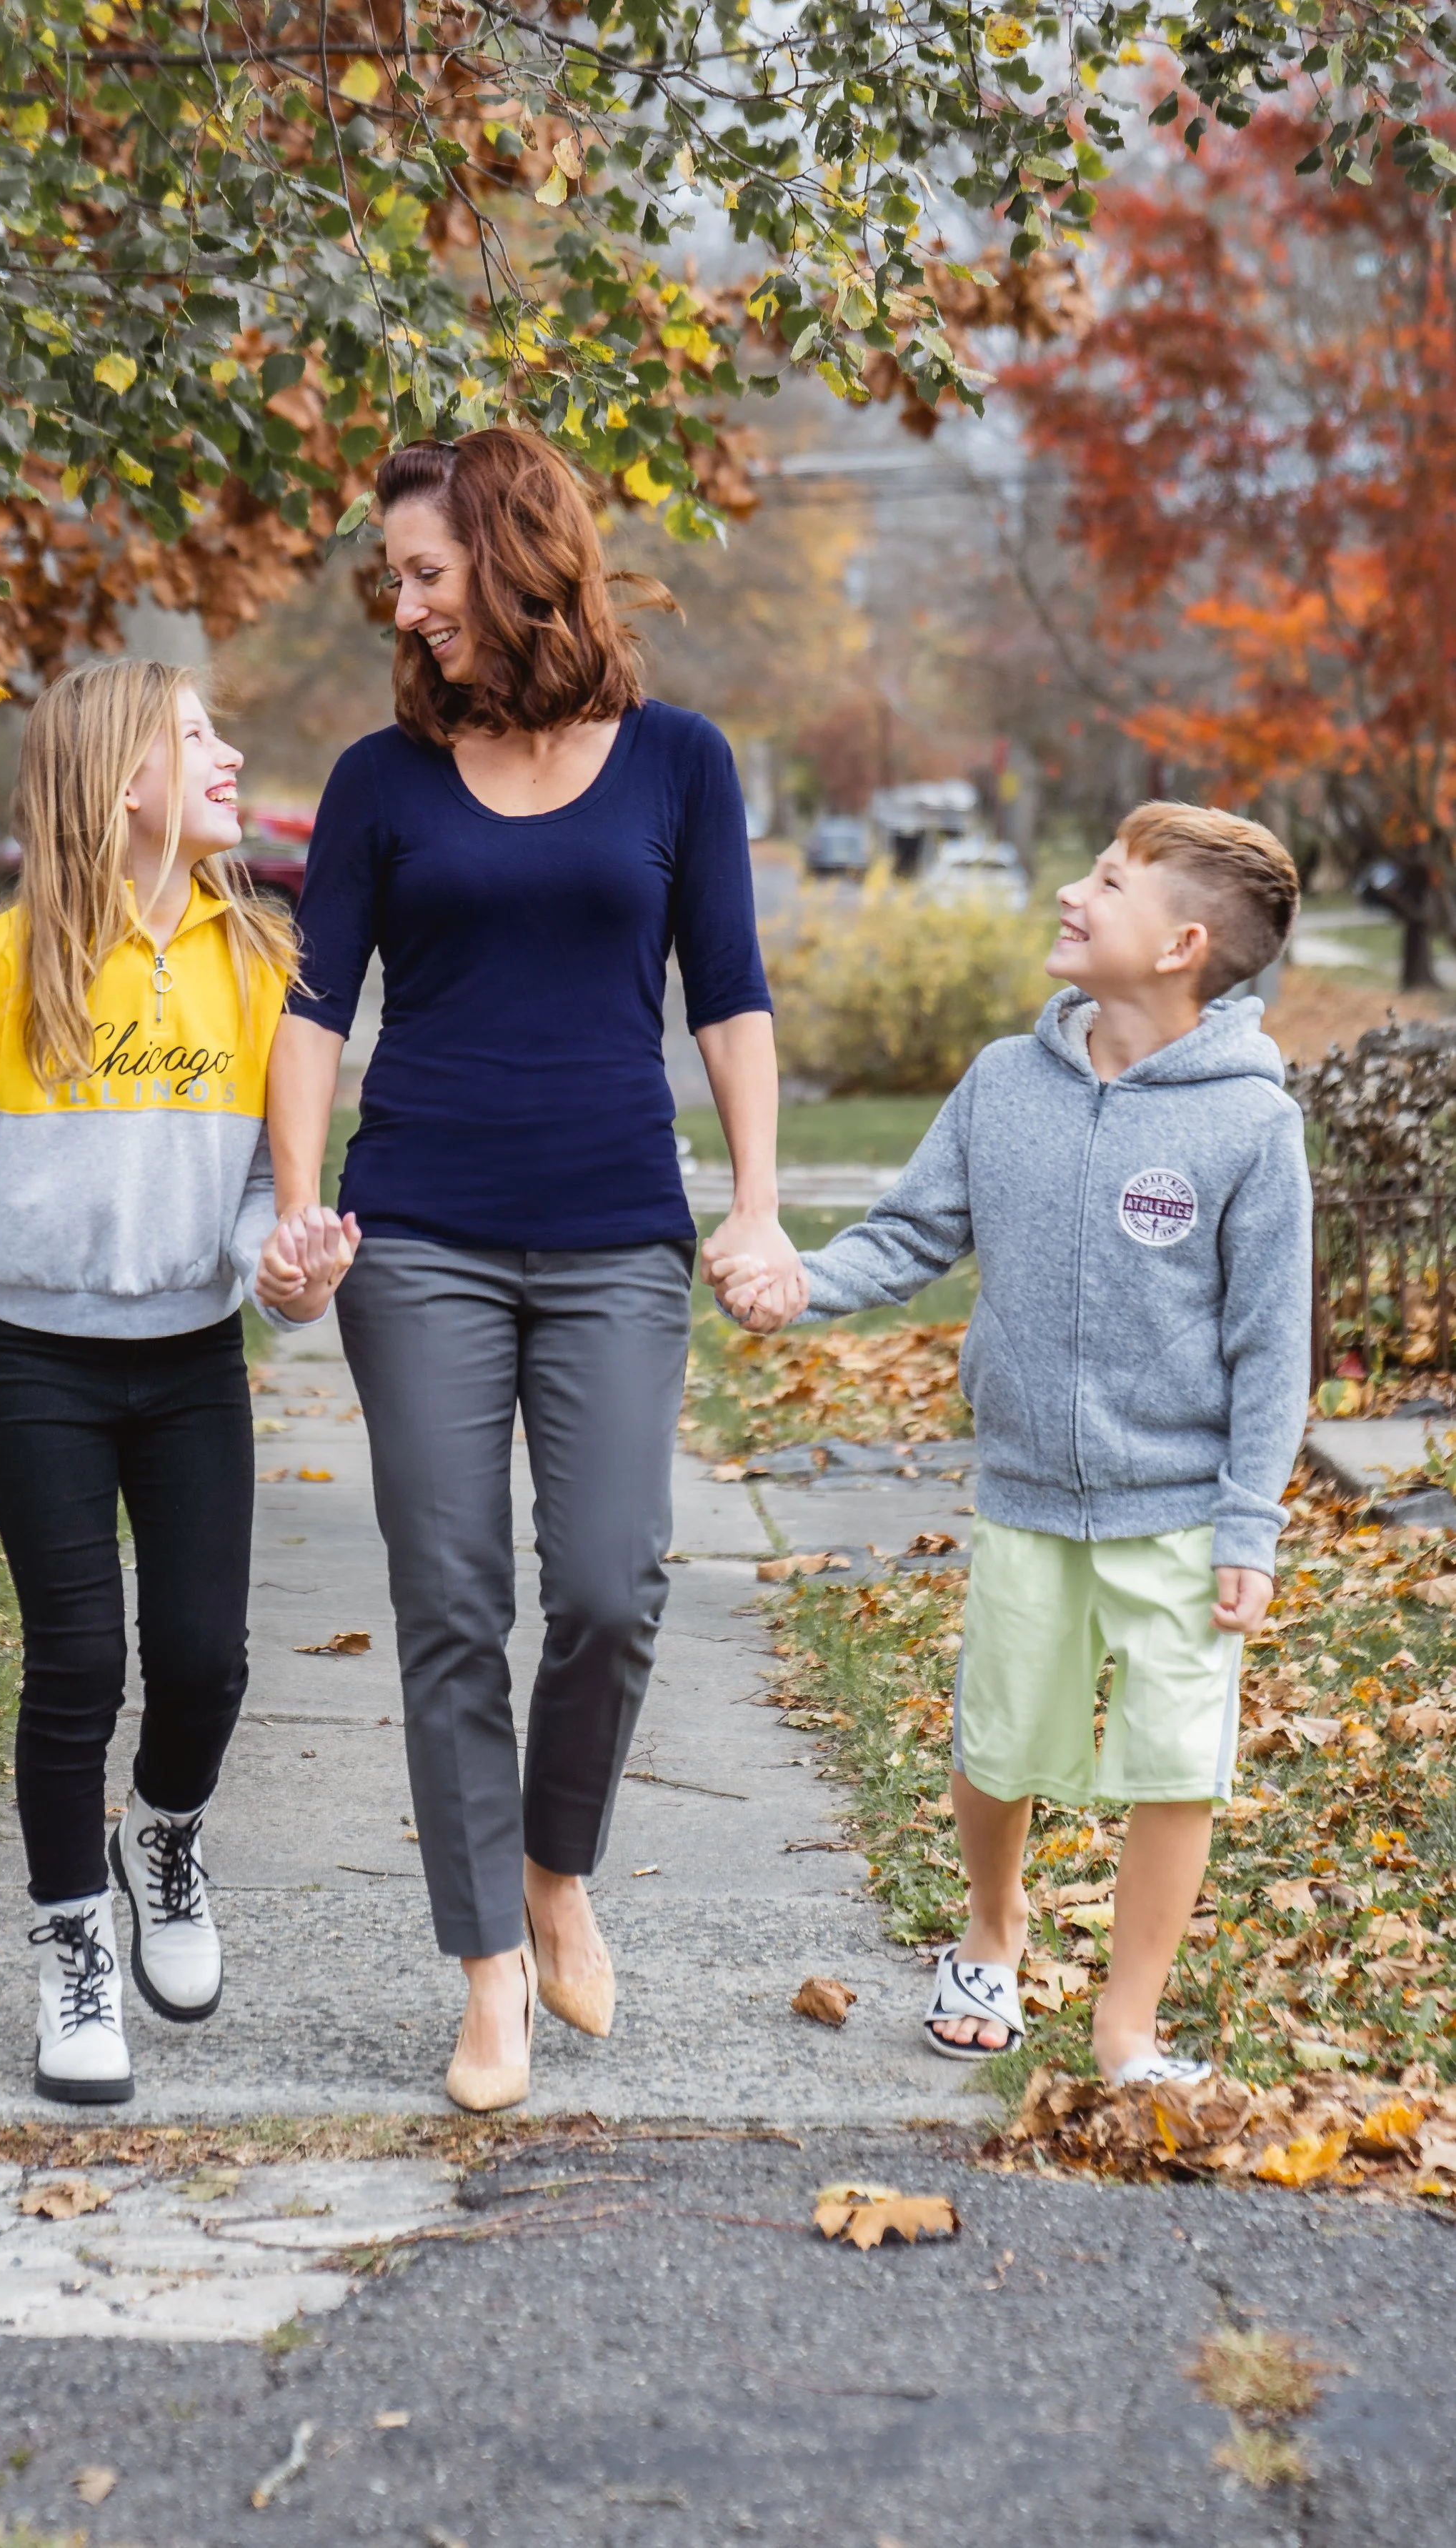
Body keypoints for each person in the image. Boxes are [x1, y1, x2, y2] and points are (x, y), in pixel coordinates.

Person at [261, 426, 802, 2112]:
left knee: (611, 1583)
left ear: (513, 558)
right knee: (448, 1603)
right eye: (395, 578)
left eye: (425, 570)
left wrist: (759, 1205)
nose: (403, 603)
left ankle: (552, 1869)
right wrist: (296, 1210)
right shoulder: (378, 780)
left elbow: (726, 992)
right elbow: (311, 1008)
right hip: (414, 1228)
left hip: (613, 1232)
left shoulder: (675, 762)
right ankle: (487, 1975)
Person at [709, 802, 1311, 2086]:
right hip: (1031, 1493)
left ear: (1182, 944)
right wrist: (799, 1283)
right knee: (1000, 1740)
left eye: (1110, 881)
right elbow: (911, 1232)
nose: (1073, 892)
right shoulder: (1005, 1082)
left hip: (1185, 1509)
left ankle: (1127, 2024)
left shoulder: (1249, 1125)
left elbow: (1272, 1347)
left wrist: (1252, 1520)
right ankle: (993, 1930)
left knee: (1175, 1765)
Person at [0, 660, 354, 2106]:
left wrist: (286, 1272)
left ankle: (164, 1835)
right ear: (119, 780)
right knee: (75, 1661)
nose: (230, 750)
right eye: (196, 733)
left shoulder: (259, 961)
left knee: (204, 1657)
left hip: (191, 1362)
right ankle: (73, 1948)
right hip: (37, 1365)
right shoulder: (11, 962)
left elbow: (270, 1198)